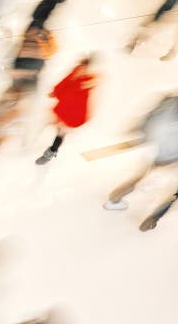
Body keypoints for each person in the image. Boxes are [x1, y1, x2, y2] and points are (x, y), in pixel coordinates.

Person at [103, 94, 178, 231]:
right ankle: (153, 219)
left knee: (144, 172)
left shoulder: (170, 100)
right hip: (174, 154)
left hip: (160, 148)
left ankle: (116, 197)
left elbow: (150, 117)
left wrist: (140, 133)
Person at [35, 56, 97, 165]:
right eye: (81, 67)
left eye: (85, 68)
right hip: (64, 107)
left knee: (61, 131)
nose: (82, 70)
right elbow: (64, 82)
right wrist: (55, 91)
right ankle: (41, 142)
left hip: (73, 112)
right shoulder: (75, 73)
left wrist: (84, 82)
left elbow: (84, 89)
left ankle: (51, 152)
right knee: (52, 123)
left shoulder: (88, 80)